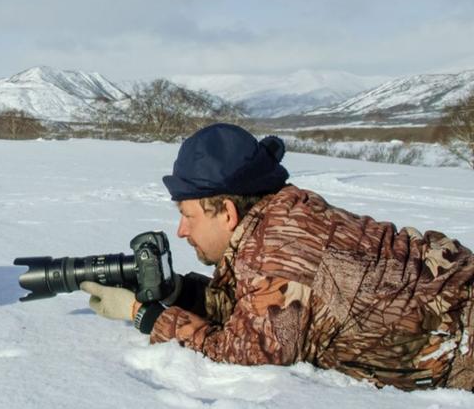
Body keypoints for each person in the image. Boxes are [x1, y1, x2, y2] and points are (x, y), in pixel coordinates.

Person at [80, 123, 474, 391]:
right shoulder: (276, 219)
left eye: (187, 215)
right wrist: (179, 292)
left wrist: (144, 315)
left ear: (228, 213)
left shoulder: (281, 246)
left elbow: (244, 357)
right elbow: (254, 306)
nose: (182, 230)